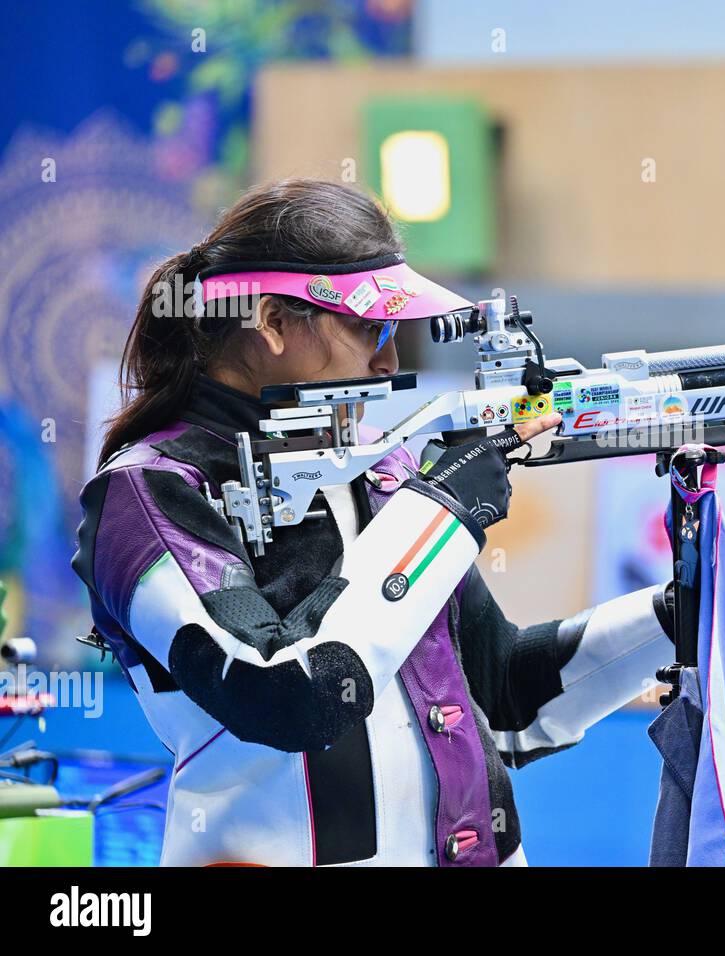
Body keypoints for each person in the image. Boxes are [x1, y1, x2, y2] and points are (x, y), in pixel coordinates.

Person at [70, 179, 689, 866]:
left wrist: (670, 617)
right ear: (273, 323)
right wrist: (441, 513)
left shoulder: (377, 473)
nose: (391, 359)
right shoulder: (148, 491)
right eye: (371, 328)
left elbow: (504, 699)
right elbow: (289, 696)